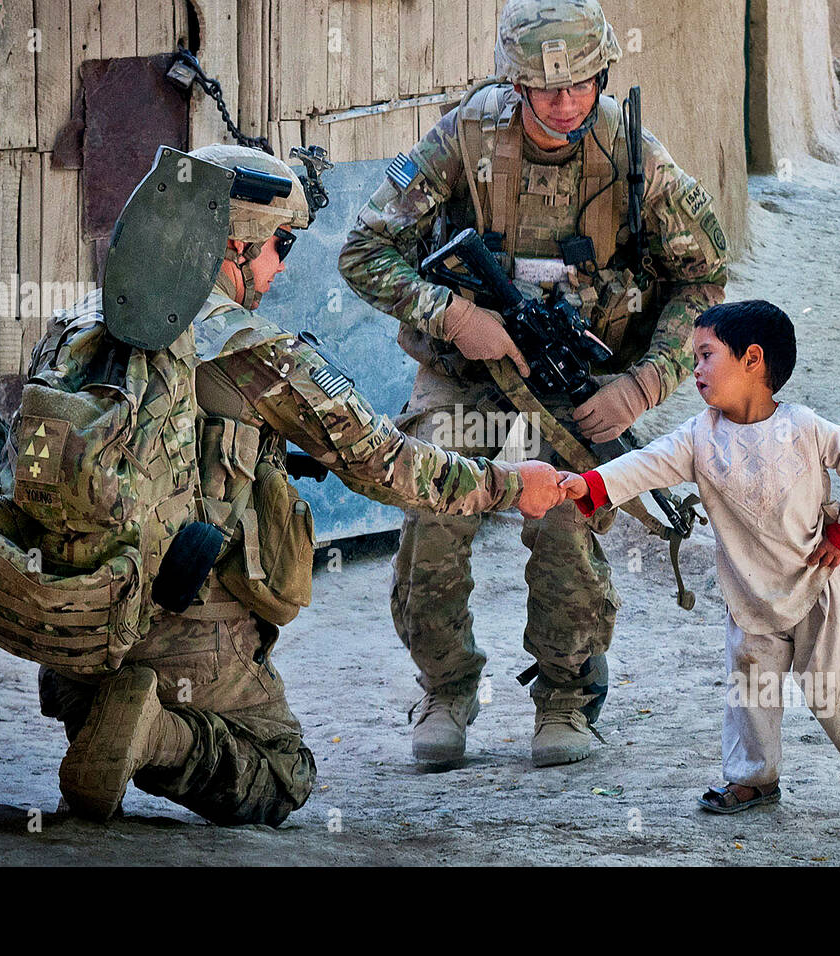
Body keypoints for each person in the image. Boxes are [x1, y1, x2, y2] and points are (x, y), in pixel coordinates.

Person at [30, 144, 567, 825]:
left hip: (70, 625)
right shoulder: (255, 350)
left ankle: (98, 711)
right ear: (234, 242)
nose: (283, 265)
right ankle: (155, 732)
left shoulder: (80, 320)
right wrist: (510, 486)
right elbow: (386, 462)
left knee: (115, 689)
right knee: (282, 774)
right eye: (280, 243)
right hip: (174, 634)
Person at [337, 0, 729, 767]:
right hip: (466, 373)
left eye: (582, 83)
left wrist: (646, 384)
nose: (564, 102)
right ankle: (445, 688)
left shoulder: (633, 155)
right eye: (545, 88)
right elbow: (363, 251)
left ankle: (567, 694)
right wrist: (450, 313)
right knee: (433, 505)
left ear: (603, 75)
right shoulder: (462, 138)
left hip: (576, 382)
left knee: (567, 514)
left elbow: (706, 281)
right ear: (513, 84)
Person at [555, 300, 840, 812]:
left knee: (838, 686)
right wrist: (587, 486)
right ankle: (754, 779)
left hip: (818, 584)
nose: (695, 370)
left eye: (705, 355)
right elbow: (647, 465)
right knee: (750, 688)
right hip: (748, 593)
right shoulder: (700, 436)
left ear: (752, 360)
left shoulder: (803, 427)